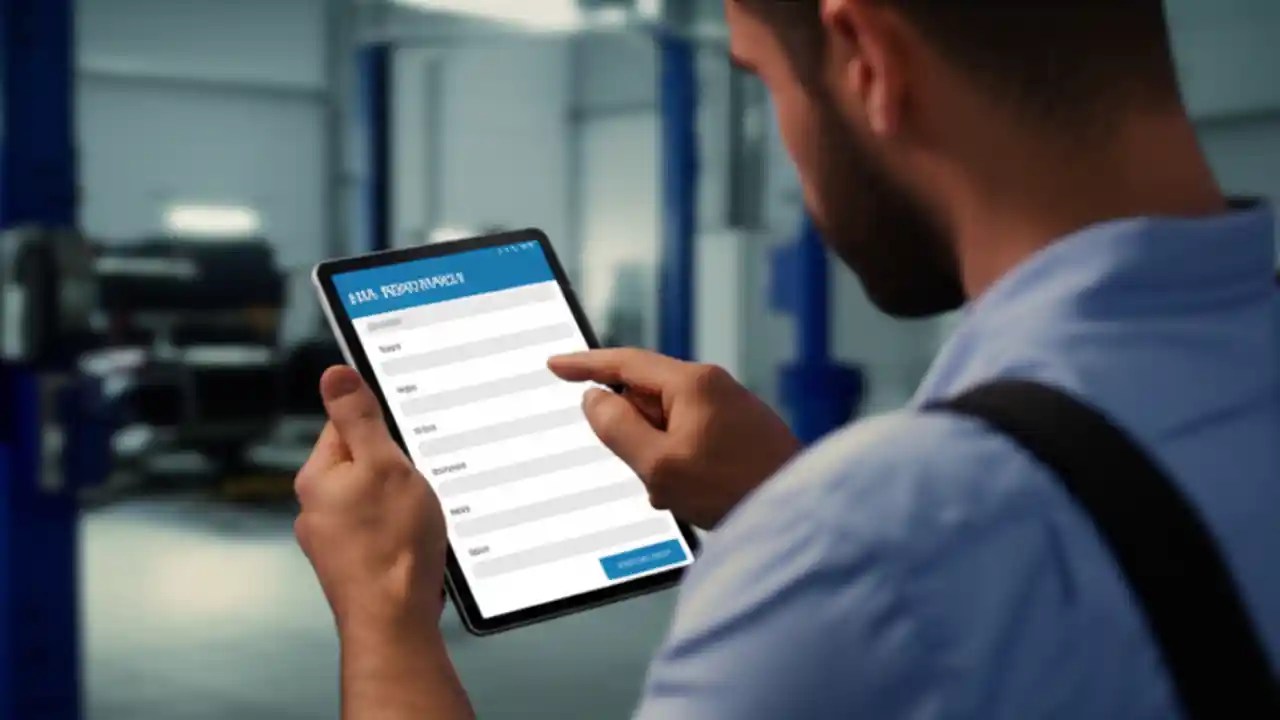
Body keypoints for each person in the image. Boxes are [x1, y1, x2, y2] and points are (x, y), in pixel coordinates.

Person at [293, 0, 1280, 717]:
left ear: (867, 61)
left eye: (762, 79)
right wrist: (783, 496)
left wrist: (385, 618)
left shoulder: (866, 543)